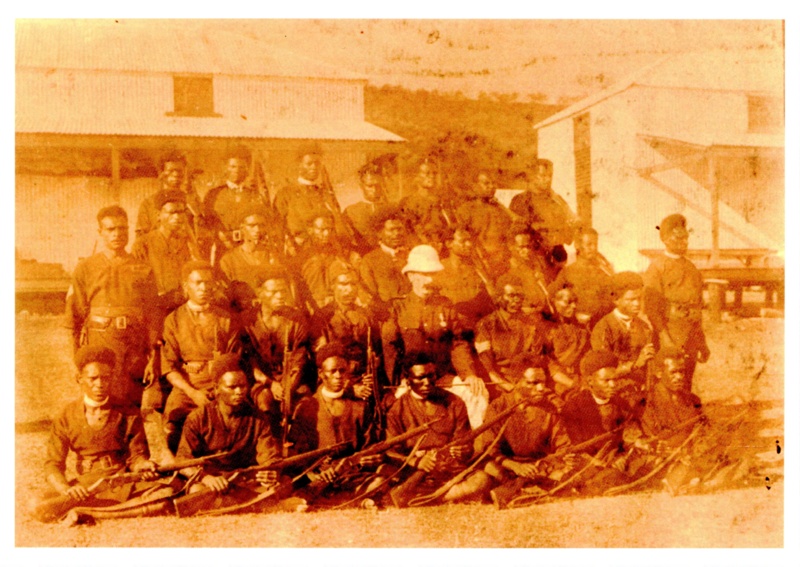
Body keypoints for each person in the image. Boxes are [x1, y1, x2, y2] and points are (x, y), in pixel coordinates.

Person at [38, 346, 174, 522]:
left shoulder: (127, 411)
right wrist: (66, 489)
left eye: (106, 378)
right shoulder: (66, 415)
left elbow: (136, 456)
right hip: (85, 485)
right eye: (93, 378)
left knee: (165, 494)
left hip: (121, 482)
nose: (100, 384)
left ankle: (89, 513)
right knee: (37, 503)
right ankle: (99, 507)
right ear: (79, 379)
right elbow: (53, 465)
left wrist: (142, 466)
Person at [173, 354, 298, 515]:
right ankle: (263, 505)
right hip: (212, 483)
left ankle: (239, 504)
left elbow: (268, 456)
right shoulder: (198, 418)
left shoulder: (258, 418)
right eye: (232, 387)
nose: (239, 392)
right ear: (217, 388)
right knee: (196, 491)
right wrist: (206, 478)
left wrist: (270, 472)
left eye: (243, 386)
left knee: (285, 483)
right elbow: (183, 461)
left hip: (244, 481)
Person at [381, 245, 488, 427]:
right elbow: (391, 351)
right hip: (412, 380)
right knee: (397, 408)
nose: (429, 280)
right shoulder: (398, 309)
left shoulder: (445, 306)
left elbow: (458, 343)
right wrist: (398, 382)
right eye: (423, 274)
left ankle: (469, 445)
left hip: (442, 377)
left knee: (477, 393)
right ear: (411, 276)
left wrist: (468, 374)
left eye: (433, 275)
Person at [65, 205, 161, 407]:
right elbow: (74, 318)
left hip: (134, 345)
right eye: (110, 229)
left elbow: (153, 315)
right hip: (101, 340)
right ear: (100, 233)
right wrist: (77, 360)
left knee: (132, 403)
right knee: (103, 401)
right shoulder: (86, 268)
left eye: (122, 228)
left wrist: (153, 355)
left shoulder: (143, 268)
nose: (117, 234)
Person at [383, 354, 491, 507]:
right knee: (386, 479)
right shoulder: (396, 410)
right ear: (407, 380)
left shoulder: (454, 403)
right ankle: (437, 496)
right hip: (414, 472)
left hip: (450, 471)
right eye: (420, 378)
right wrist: (417, 461)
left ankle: (425, 499)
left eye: (431, 376)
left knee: (482, 480)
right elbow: (390, 451)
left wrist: (462, 450)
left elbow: (465, 444)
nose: (427, 382)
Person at [160, 261, 243, 453]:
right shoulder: (173, 320)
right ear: (186, 286)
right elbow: (169, 368)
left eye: (207, 283)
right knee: (173, 419)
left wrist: (219, 389)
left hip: (221, 384)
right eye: (197, 283)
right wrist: (192, 392)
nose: (203, 288)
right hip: (188, 386)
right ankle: (183, 467)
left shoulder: (225, 318)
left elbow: (234, 360)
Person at [475, 354, 571, 508]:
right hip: (506, 467)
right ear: (515, 381)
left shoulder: (549, 409)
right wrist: (515, 466)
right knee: (488, 470)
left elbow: (562, 444)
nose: (541, 388)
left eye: (543, 383)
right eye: (533, 383)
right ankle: (523, 489)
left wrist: (546, 463)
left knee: (564, 474)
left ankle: (521, 490)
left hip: (536, 467)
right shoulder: (498, 407)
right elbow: (490, 448)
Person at [643, 213, 710, 389]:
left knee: (686, 382)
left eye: (686, 237)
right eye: (679, 237)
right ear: (665, 239)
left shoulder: (692, 269)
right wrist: (665, 340)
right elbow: (651, 309)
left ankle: (686, 415)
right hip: (669, 334)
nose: (685, 242)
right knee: (667, 382)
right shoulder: (657, 267)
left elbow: (697, 311)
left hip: (690, 337)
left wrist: (701, 343)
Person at [241, 269, 311, 432]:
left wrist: (288, 388)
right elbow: (249, 362)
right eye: (273, 292)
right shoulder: (247, 321)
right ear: (260, 293)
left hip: (292, 380)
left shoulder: (296, 319)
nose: (280, 296)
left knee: (304, 405)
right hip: (261, 381)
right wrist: (271, 384)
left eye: (283, 291)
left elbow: (299, 360)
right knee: (265, 403)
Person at [474, 274, 550, 395]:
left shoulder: (530, 323)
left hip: (530, 381)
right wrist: (512, 389)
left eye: (519, 295)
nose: (516, 300)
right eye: (511, 295)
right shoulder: (486, 325)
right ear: (499, 297)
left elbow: (538, 359)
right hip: (502, 385)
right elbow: (489, 370)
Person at [132, 189, 201, 314]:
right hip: (156, 310)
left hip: (183, 309)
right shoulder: (144, 244)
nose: (177, 217)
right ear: (159, 215)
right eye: (172, 212)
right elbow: (137, 284)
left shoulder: (188, 242)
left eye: (181, 212)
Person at [590, 271, 657, 393]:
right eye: (631, 299)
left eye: (639, 299)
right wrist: (635, 364)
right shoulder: (604, 328)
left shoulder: (644, 327)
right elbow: (604, 372)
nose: (637, 304)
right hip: (613, 391)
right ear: (616, 300)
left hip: (640, 392)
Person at [509, 158, 577, 277]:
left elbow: (570, 232)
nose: (548, 179)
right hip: (533, 261)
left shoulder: (558, 201)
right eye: (543, 175)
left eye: (550, 175)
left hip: (557, 261)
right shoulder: (521, 200)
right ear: (533, 176)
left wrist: (569, 228)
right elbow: (515, 235)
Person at [203, 148, 277, 252]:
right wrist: (223, 237)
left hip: (249, 248)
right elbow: (207, 223)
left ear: (247, 170)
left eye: (241, 167)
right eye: (233, 166)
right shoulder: (214, 194)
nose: (237, 170)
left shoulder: (255, 195)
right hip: (222, 247)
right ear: (226, 168)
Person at [217, 206, 289, 312]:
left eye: (261, 225)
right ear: (242, 227)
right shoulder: (229, 259)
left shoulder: (272, 255)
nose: (257, 230)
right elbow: (225, 295)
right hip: (241, 313)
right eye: (252, 225)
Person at [273, 143, 343, 244]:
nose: (314, 167)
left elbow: (337, 224)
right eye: (309, 163)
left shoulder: (326, 194)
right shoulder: (285, 194)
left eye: (317, 163)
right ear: (299, 164)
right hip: (298, 251)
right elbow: (277, 229)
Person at [135, 152, 205, 248]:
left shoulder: (191, 202)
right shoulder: (149, 203)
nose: (176, 174)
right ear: (161, 173)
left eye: (179, 171)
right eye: (171, 170)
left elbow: (203, 234)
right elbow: (141, 238)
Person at [550, 227, 614, 327]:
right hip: (575, 327)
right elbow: (552, 298)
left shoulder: (603, 272)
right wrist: (570, 314)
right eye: (589, 244)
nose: (594, 248)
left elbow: (612, 299)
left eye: (595, 244)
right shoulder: (568, 272)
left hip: (600, 326)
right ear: (578, 245)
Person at [295, 212, 360, 310]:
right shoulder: (303, 256)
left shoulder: (338, 250)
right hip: (318, 306)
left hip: (342, 302)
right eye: (322, 229)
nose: (327, 233)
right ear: (310, 230)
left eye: (329, 229)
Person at [455, 170, 514, 274]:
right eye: (486, 183)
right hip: (479, 263)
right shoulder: (467, 209)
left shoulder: (500, 210)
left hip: (503, 262)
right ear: (475, 185)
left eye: (493, 183)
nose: (491, 186)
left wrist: (500, 205)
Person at [437, 225, 495, 329]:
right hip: (452, 328)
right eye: (463, 241)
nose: (469, 244)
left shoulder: (479, 269)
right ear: (449, 243)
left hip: (479, 326)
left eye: (469, 240)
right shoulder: (439, 269)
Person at [357, 205, 412, 308]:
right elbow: (371, 295)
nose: (396, 234)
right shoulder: (369, 261)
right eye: (391, 230)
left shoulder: (413, 254)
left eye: (399, 229)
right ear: (379, 233)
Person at [543, 281, 591, 398]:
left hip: (581, 377)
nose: (574, 306)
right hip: (558, 382)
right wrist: (574, 384)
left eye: (575, 302)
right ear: (553, 301)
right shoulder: (546, 329)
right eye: (568, 302)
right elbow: (548, 365)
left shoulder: (580, 326)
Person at [498, 225, 551, 311]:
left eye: (528, 246)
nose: (527, 250)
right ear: (511, 247)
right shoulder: (509, 269)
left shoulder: (536, 262)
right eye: (521, 247)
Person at [344, 161, 389, 251]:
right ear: (362, 186)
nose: (374, 190)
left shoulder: (391, 209)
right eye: (370, 186)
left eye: (377, 185)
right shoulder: (351, 211)